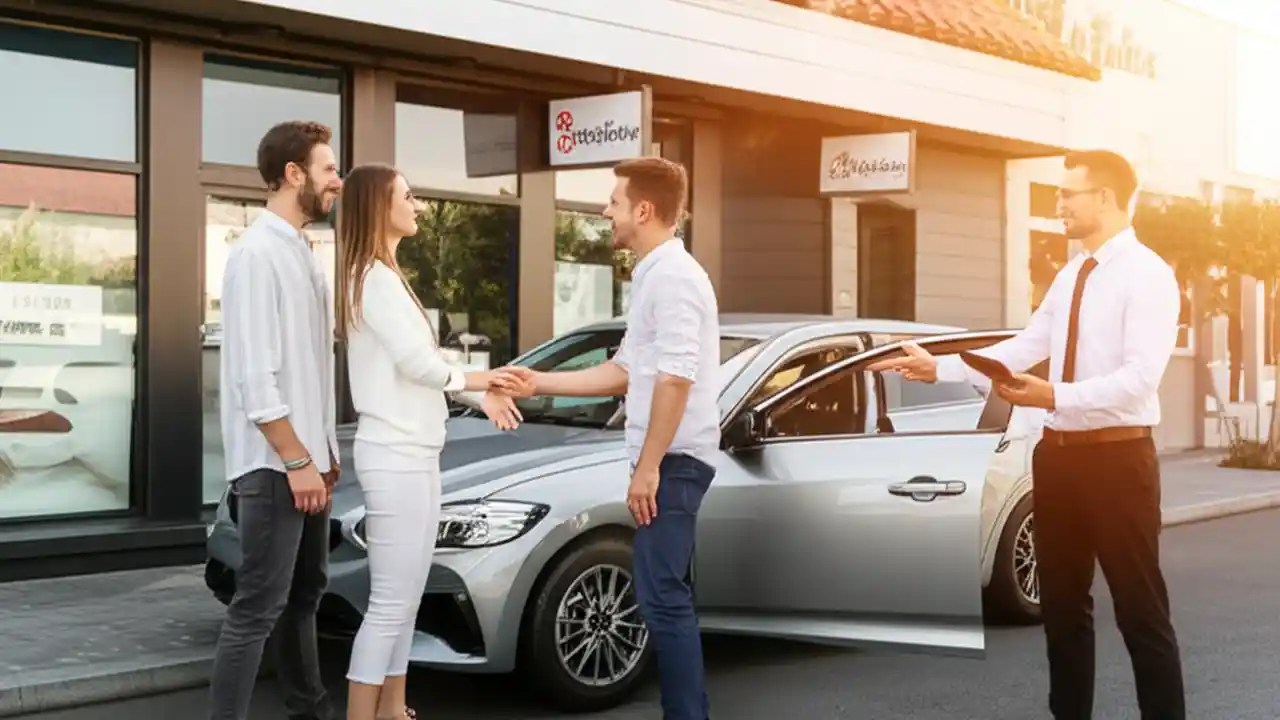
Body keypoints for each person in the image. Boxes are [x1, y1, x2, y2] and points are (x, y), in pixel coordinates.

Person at [871, 149, 1185, 719]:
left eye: (1070, 194)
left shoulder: (1149, 276)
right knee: (1063, 614)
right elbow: (1025, 346)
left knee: (1141, 613)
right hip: (1058, 461)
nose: (1060, 203)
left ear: (1107, 199)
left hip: (1119, 462)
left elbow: (1139, 380)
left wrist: (1054, 396)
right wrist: (939, 367)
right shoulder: (1071, 274)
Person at [505, 157, 719, 720]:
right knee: (663, 597)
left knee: (663, 600)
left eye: (615, 202)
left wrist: (648, 467)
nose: (606, 211)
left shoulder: (673, 278)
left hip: (673, 463)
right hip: (663, 462)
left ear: (643, 210)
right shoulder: (655, 275)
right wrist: (538, 381)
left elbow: (676, 377)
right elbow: (625, 371)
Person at [334, 163, 522, 720]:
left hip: (413, 453)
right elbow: (419, 365)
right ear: (379, 207)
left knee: (407, 596)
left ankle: (393, 708)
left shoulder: (383, 277)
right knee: (391, 601)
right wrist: (481, 380)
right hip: (394, 457)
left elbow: (423, 369)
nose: (418, 206)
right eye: (409, 197)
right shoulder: (373, 279)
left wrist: (474, 395)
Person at [209, 120, 344, 720]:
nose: (337, 180)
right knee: (257, 606)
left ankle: (308, 710)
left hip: (306, 463)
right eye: (328, 169)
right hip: (273, 467)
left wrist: (327, 454)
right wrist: (297, 460)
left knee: (304, 596)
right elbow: (255, 383)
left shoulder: (304, 253)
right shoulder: (257, 254)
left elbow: (310, 373)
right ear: (294, 175)